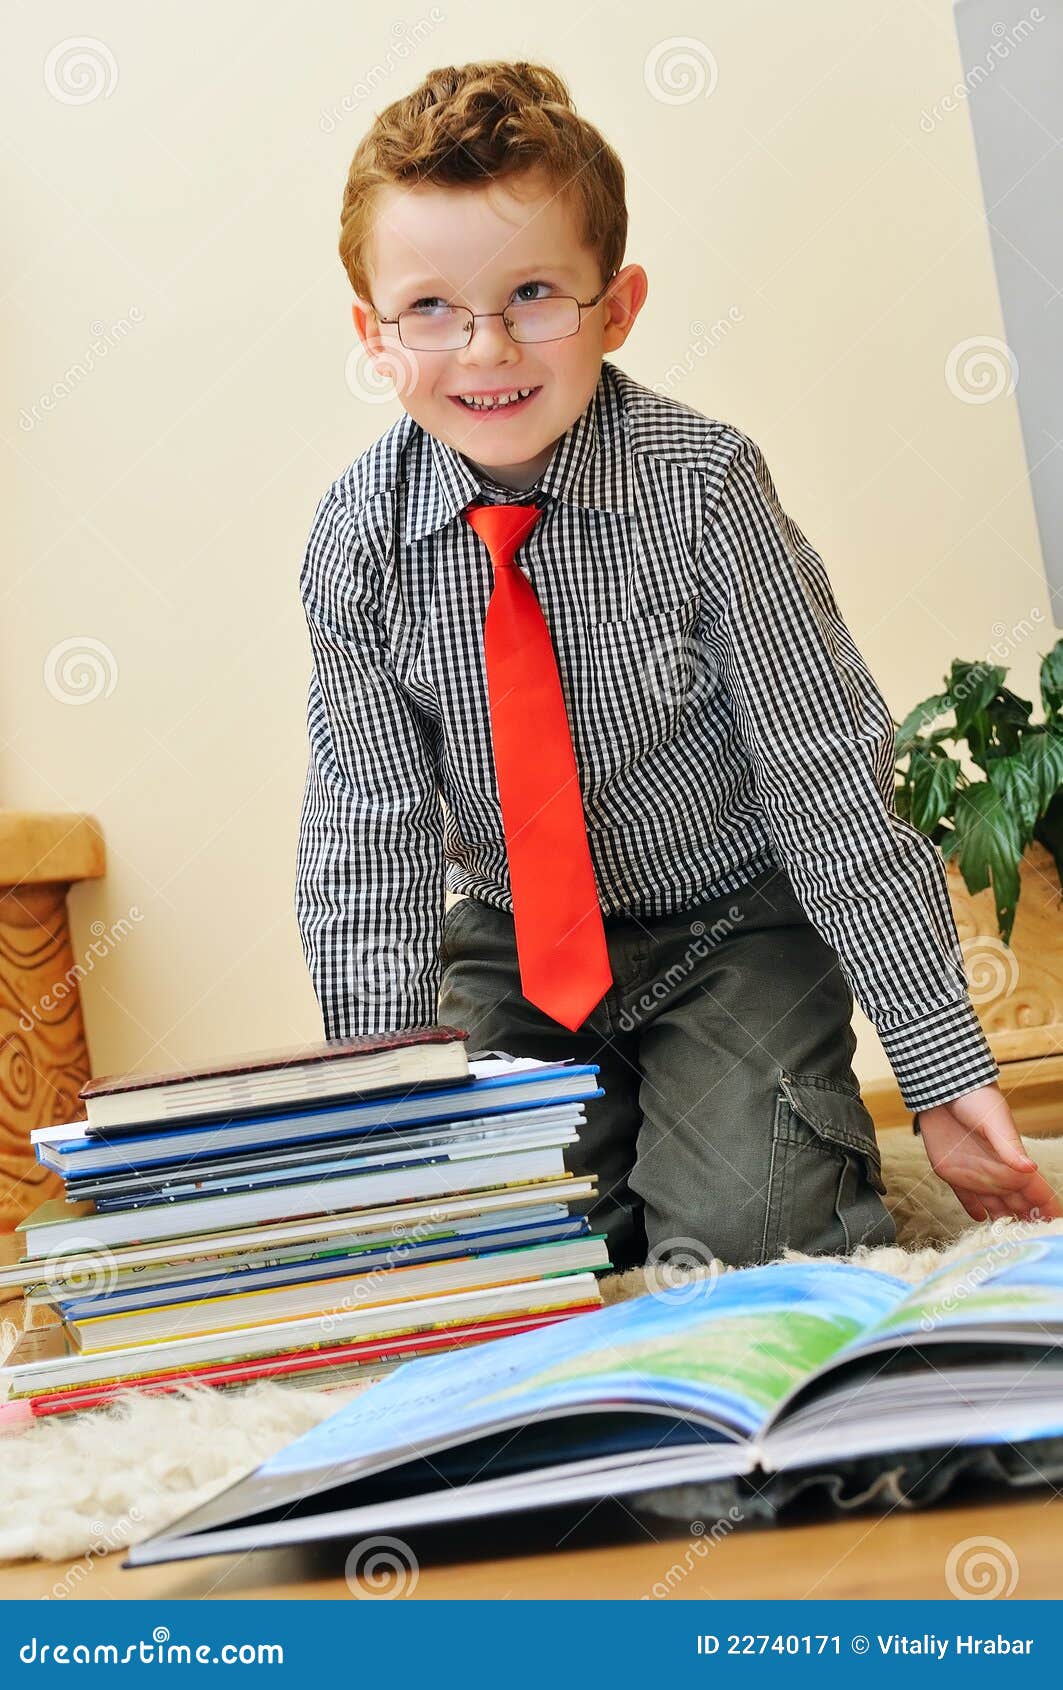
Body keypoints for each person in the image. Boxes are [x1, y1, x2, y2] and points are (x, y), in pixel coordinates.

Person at [295, 58, 1061, 1270]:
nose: (486, 346)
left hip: (730, 928)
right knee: (480, 1243)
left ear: (617, 305)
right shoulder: (359, 540)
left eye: (534, 292)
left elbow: (828, 782)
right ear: (371, 336)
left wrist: (938, 1065)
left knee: (754, 1237)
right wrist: (389, 1101)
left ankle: (737, 1129)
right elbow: (367, 835)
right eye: (431, 308)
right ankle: (599, 1141)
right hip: (516, 941)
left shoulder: (701, 488)